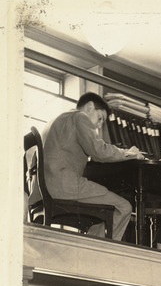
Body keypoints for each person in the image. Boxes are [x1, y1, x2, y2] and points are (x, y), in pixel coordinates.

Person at [33, 92, 144, 241]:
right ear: (90, 106)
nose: (99, 126)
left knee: (99, 215)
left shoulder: (55, 120)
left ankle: (89, 246)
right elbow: (98, 151)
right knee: (124, 207)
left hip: (40, 191)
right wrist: (129, 153)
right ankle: (98, 252)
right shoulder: (79, 117)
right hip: (63, 186)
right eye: (100, 119)